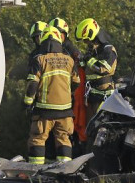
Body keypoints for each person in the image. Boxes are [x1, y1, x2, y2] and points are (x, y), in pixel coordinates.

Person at [23, 23, 80, 164]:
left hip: (44, 111)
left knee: (38, 138)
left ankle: (35, 174)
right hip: (65, 111)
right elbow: (77, 82)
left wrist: (27, 103)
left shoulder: (39, 59)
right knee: (64, 139)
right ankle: (64, 171)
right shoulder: (69, 61)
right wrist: (67, 93)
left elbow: (32, 85)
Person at [73, 18, 118, 121]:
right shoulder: (93, 49)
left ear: (92, 35)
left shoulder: (108, 49)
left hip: (105, 96)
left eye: (85, 39)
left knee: (101, 126)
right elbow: (87, 68)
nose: (84, 42)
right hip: (92, 95)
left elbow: (103, 68)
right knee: (90, 128)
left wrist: (88, 59)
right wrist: (80, 60)